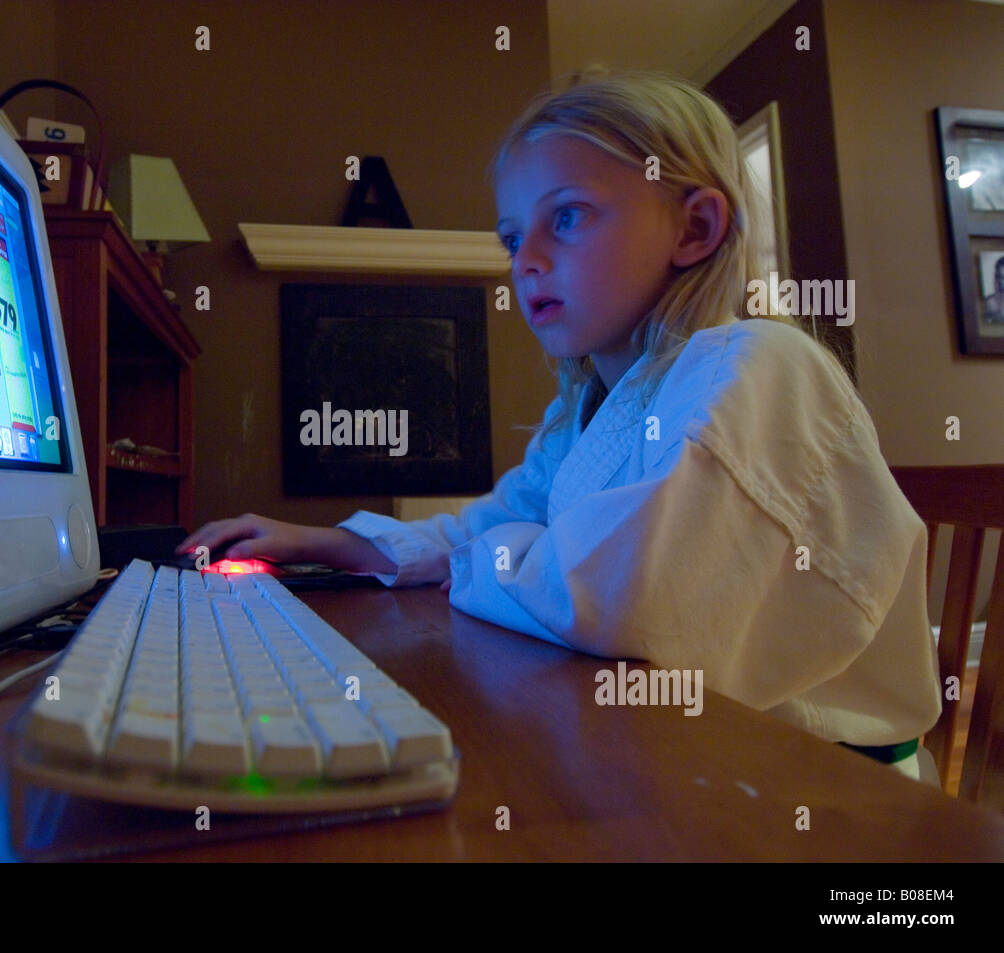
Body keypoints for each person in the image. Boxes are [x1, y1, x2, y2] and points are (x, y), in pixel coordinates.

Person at [177, 70, 942, 783]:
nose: (526, 260)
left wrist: (486, 557)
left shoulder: (758, 365)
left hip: (812, 781)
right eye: (513, 238)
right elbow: (499, 525)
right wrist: (327, 543)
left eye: (566, 217)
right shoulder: (586, 409)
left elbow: (627, 601)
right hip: (681, 753)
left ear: (695, 228)